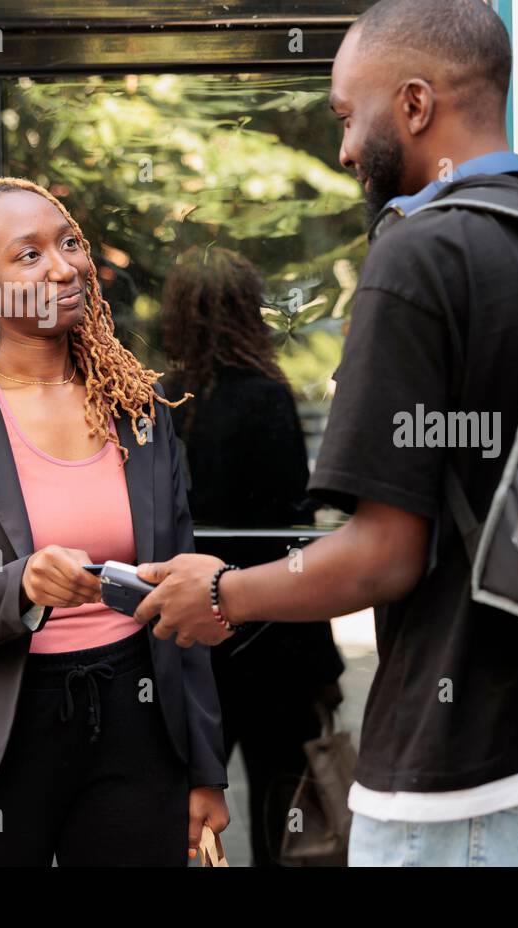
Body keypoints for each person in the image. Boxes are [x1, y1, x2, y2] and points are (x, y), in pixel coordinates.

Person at [133, 0, 518, 867]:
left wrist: (223, 595)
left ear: (415, 106)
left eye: (346, 116)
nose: (343, 149)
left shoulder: (418, 255)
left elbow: (385, 554)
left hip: (472, 777)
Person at [0, 177, 229, 866]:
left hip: (135, 731)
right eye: (30, 255)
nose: (66, 265)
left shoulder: (141, 411)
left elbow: (183, 608)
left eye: (69, 242)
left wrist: (206, 769)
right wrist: (20, 585)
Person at [161, 246, 346, 866]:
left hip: (190, 643)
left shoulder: (164, 401)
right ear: (248, 310)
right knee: (283, 820)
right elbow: (295, 533)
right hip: (275, 644)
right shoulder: (267, 395)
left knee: (186, 819)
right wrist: (325, 666)